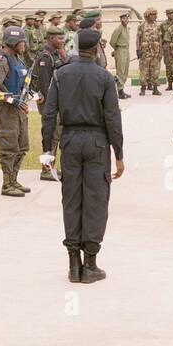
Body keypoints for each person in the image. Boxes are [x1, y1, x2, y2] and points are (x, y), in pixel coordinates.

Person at [39, 27, 123, 284]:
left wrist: (48, 150)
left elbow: (49, 114)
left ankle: (73, 264)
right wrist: (119, 154)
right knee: (95, 200)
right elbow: (112, 118)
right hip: (97, 142)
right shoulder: (104, 77)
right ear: (97, 49)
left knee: (72, 199)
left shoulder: (60, 74)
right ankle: (90, 264)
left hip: (70, 141)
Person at [0, 25, 31, 196]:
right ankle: (7, 184)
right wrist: (8, 98)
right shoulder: (2, 61)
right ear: (13, 42)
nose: (24, 44)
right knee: (9, 148)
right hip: (7, 111)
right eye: (21, 42)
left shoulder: (19, 60)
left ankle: (14, 179)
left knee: (22, 146)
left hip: (20, 109)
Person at [31, 24, 67, 179]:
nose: (62, 41)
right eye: (59, 38)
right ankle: (46, 170)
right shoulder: (46, 57)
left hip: (55, 103)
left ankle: (51, 167)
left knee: (55, 136)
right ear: (51, 38)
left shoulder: (56, 54)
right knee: (50, 136)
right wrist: (52, 106)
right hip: (49, 105)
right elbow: (45, 86)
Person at [135, 8, 162, 94]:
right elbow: (138, 38)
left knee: (155, 70)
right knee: (144, 70)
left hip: (155, 52)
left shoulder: (157, 26)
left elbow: (160, 39)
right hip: (145, 52)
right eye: (152, 14)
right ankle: (143, 89)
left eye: (155, 14)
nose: (154, 16)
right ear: (147, 15)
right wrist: (138, 50)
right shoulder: (142, 25)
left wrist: (160, 51)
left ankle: (155, 89)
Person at [109, 13, 131, 98]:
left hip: (126, 50)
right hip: (120, 50)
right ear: (120, 19)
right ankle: (120, 90)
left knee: (125, 70)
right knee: (120, 70)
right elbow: (112, 42)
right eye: (123, 18)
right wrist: (117, 49)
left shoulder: (126, 29)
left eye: (127, 18)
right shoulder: (118, 29)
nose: (125, 20)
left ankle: (122, 89)